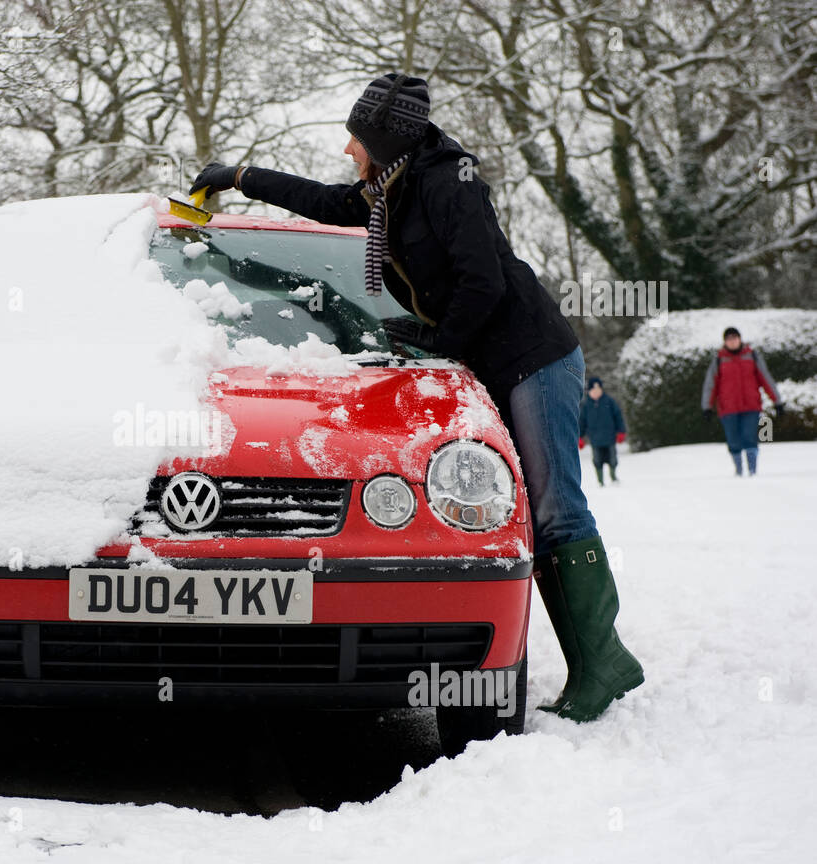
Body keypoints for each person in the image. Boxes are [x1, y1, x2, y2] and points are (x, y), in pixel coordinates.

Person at [191, 73, 643, 722]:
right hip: (497, 362)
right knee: (540, 514)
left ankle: (603, 663)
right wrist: (242, 176)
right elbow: (325, 201)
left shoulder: (448, 183)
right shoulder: (390, 189)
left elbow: (482, 281)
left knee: (556, 510)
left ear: (383, 137)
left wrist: (438, 342)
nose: (349, 147)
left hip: (532, 356)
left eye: (356, 136)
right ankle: (598, 661)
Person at [701, 326, 783, 476]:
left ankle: (752, 471)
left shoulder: (752, 356)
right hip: (728, 408)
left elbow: (766, 378)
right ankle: (739, 470)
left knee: (749, 437)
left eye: (735, 338)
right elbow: (710, 384)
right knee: (733, 440)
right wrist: (707, 406)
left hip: (751, 406)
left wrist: (777, 401)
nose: (732, 342)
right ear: (725, 342)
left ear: (740, 339)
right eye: (729, 339)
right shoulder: (719, 360)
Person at [578, 377, 627, 486]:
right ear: (589, 391)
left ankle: (613, 477)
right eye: (593, 390)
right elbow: (582, 422)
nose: (596, 392)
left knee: (612, 459)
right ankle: (600, 480)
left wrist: (621, 431)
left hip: (610, 437)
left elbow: (618, 416)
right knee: (597, 460)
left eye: (598, 390)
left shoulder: (609, 401)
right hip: (595, 439)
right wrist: (580, 437)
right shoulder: (585, 405)